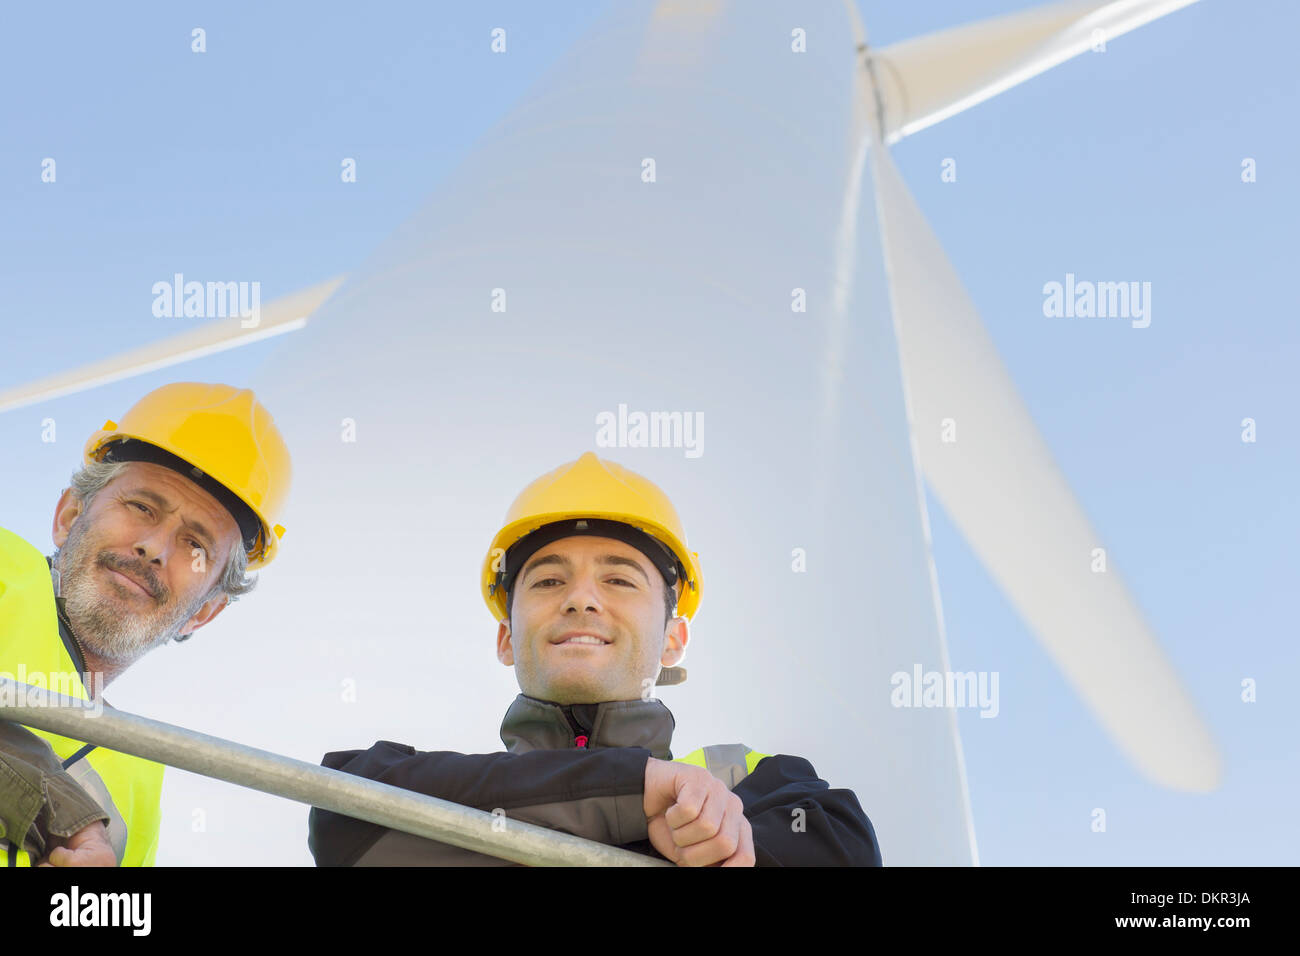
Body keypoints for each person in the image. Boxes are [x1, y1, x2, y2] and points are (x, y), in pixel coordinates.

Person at [308, 451, 881, 866]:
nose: (581, 598)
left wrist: (724, 843)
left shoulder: (751, 784)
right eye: (550, 579)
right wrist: (635, 793)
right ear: (506, 637)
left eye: (619, 579)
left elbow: (845, 849)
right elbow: (341, 814)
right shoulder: (423, 790)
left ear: (673, 639)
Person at [0, 382, 291, 867]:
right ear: (70, 516)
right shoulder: (5, 568)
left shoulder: (138, 781)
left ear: (203, 612)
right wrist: (55, 802)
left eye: (195, 545)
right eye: (142, 507)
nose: (154, 548)